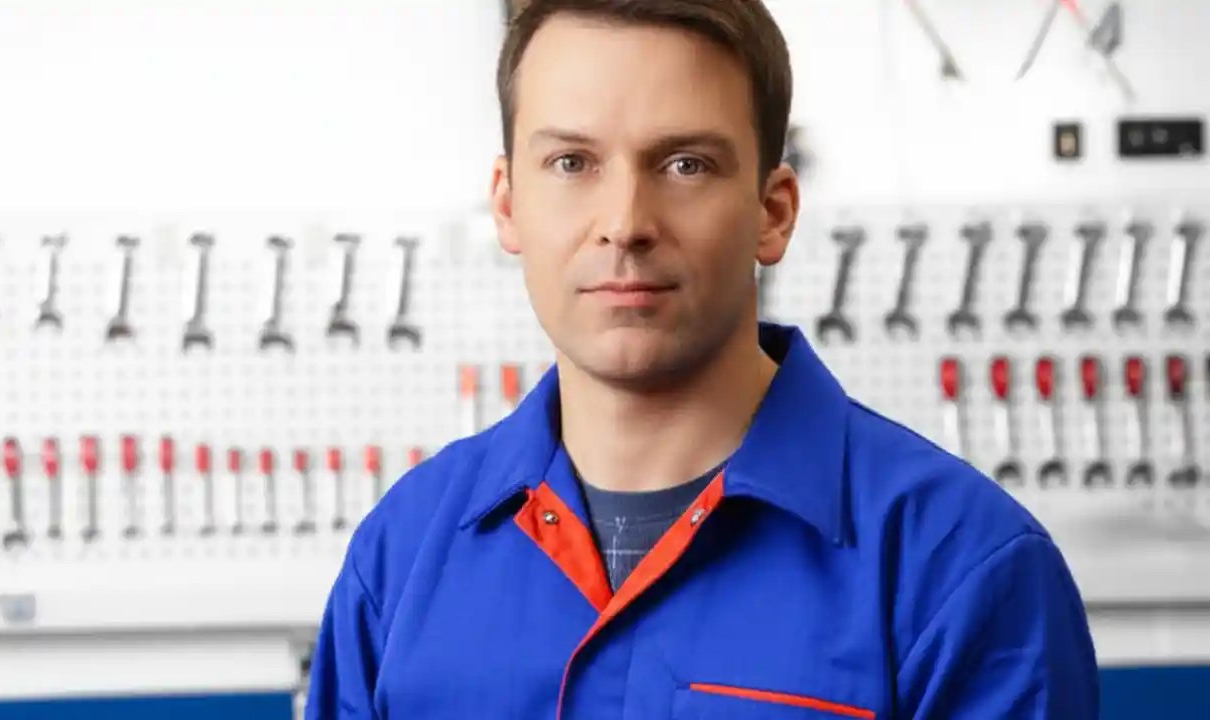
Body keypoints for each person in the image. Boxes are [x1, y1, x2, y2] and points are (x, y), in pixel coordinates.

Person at [305, 1, 1100, 717]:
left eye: (685, 164)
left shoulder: (959, 571)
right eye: (572, 163)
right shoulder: (401, 557)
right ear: (510, 204)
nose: (624, 222)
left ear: (773, 211)